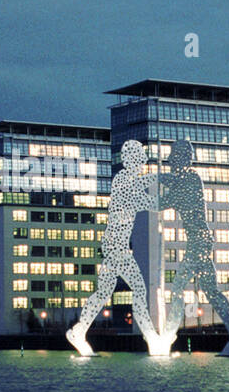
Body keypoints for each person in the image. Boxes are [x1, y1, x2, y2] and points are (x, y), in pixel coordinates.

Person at [66, 139, 160, 356]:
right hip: (116, 247)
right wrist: (163, 180)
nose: (143, 162)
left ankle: (79, 330)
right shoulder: (122, 180)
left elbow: (148, 196)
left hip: (114, 246)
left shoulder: (128, 182)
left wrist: (163, 183)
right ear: (131, 160)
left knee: (103, 292)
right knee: (139, 288)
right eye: (140, 159)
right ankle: (151, 336)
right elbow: (147, 200)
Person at [160, 138, 229, 356]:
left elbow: (162, 201)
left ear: (181, 159)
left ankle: (168, 335)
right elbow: (169, 182)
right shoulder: (184, 179)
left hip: (199, 241)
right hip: (199, 240)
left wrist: (141, 187)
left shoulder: (190, 179)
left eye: (173, 157)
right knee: (211, 290)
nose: (170, 161)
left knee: (178, 286)